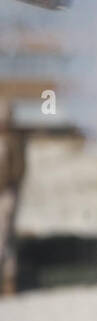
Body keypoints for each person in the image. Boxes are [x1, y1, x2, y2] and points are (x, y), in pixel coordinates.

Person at [0, 97, 26, 297]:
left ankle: (9, 281)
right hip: (7, 192)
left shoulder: (13, 141)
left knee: (4, 238)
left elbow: (16, 171)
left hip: (7, 193)